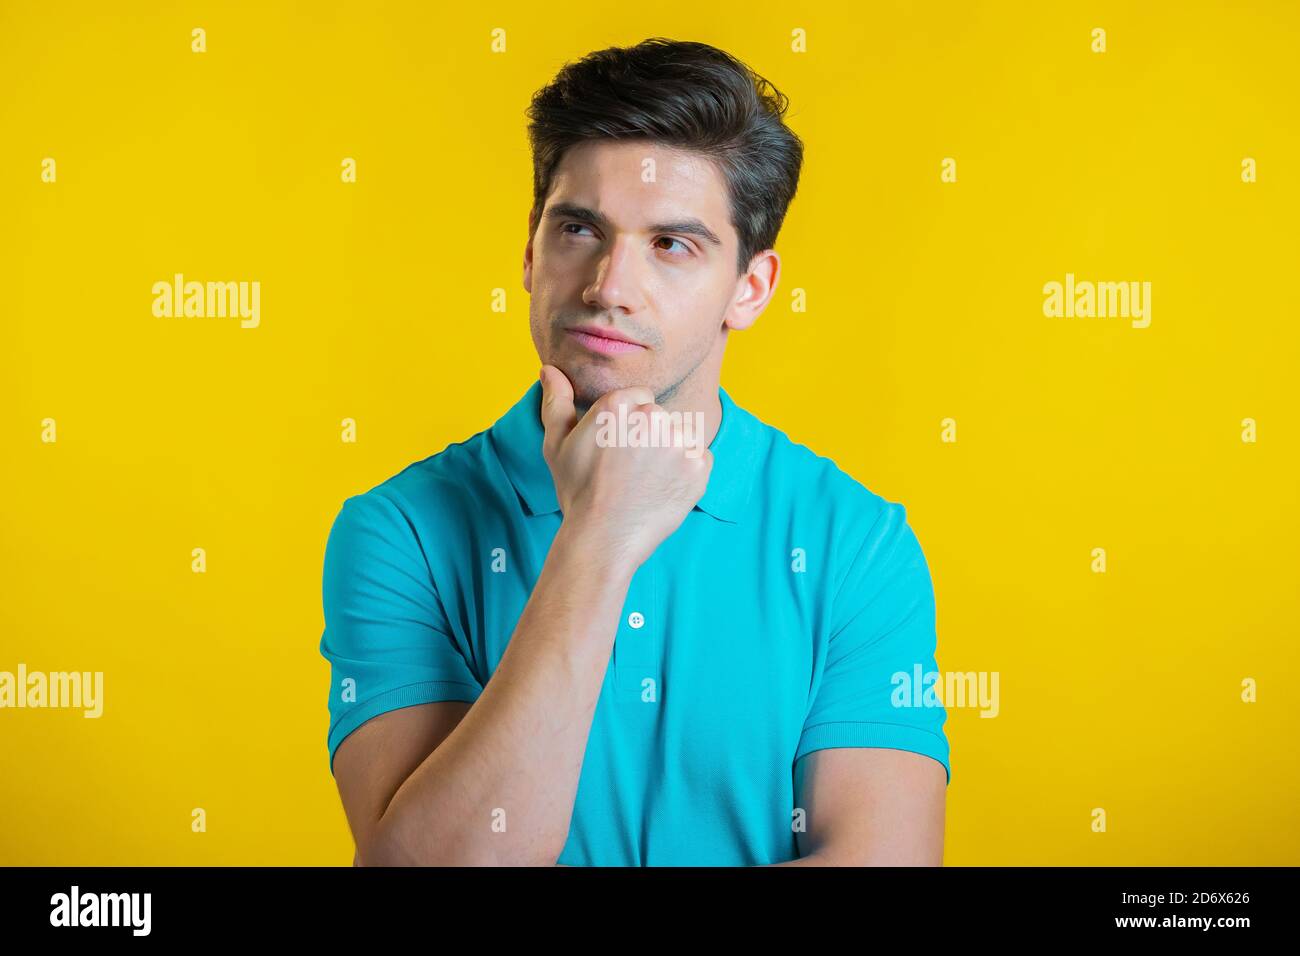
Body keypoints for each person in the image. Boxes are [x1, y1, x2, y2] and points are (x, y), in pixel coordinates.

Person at [320, 37, 950, 866]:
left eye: (671, 245)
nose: (608, 286)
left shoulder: (855, 543)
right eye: (579, 228)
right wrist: (599, 537)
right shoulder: (398, 532)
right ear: (529, 251)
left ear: (750, 288)